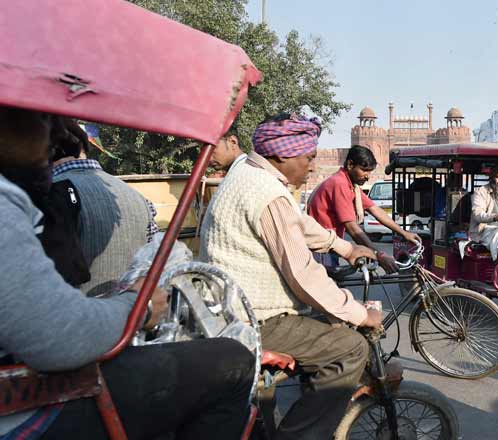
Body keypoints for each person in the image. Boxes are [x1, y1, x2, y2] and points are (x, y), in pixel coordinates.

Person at [0, 106, 256, 440]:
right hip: (44, 388)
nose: (50, 133)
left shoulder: (46, 193)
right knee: (232, 362)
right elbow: (59, 333)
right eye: (41, 118)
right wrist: (139, 305)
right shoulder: (123, 199)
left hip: (95, 333)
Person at [200, 113, 382, 440]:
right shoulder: (266, 192)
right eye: (309, 158)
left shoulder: (248, 172)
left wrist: (343, 247)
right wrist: (359, 313)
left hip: (229, 309)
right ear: (284, 155)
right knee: (351, 347)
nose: (312, 166)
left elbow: (297, 224)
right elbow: (304, 274)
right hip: (253, 318)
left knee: (328, 323)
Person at [51, 119, 160, 297]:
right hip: (133, 316)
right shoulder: (137, 197)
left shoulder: (47, 196)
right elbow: (154, 260)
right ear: (85, 146)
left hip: (78, 315)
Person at [307, 145, 419, 272]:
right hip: (321, 248)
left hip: (330, 246)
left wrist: (403, 233)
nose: (367, 176)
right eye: (364, 170)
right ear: (350, 165)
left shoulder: (351, 186)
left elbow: (375, 210)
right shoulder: (339, 184)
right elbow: (353, 229)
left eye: (369, 172)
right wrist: (378, 255)